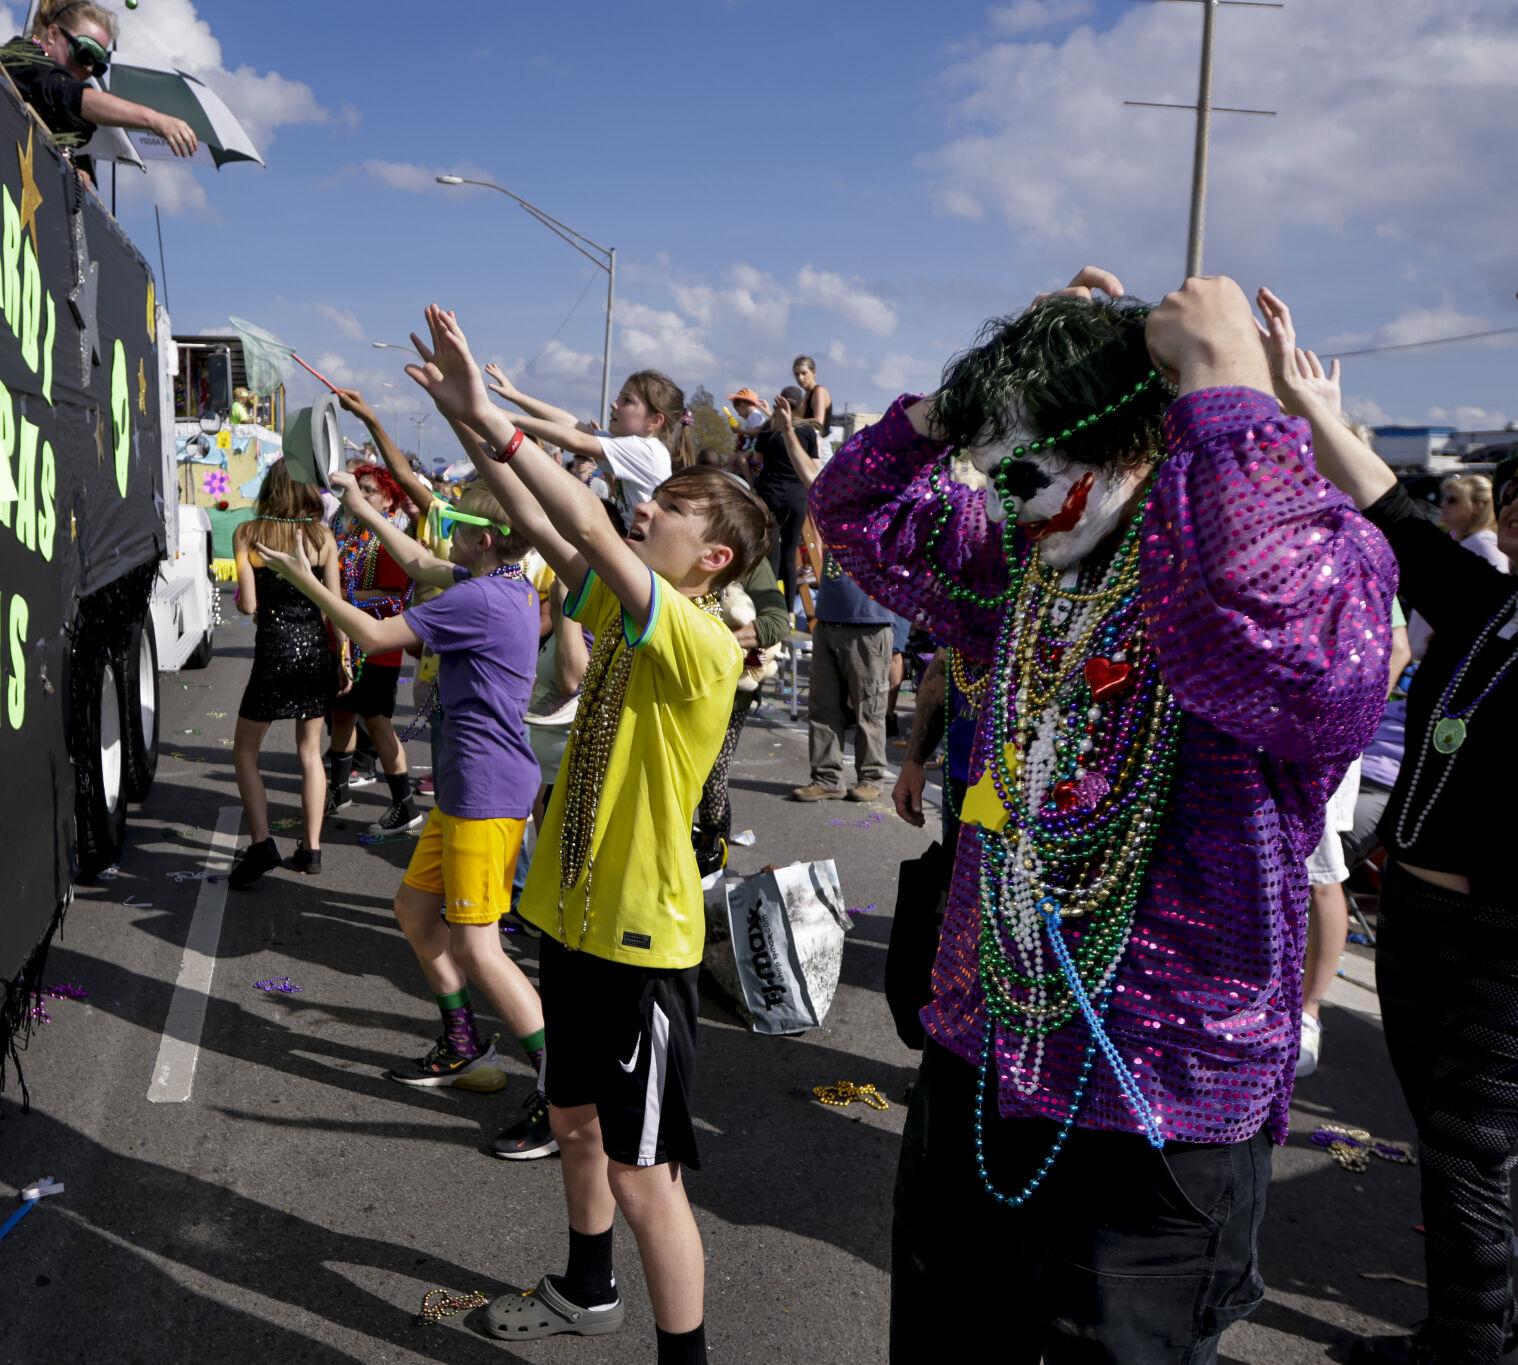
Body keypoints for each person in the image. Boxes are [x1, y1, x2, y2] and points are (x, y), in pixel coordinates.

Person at [810, 269, 1394, 1363]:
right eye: (998, 464)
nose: (1010, 493)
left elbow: (1273, 633)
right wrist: (971, 398)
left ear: (1139, 437)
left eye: (1035, 460)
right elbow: (857, 512)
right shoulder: (1023, 582)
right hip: (986, 1051)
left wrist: (1221, 381)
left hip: (1165, 1095)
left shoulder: (1309, 568)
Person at [406, 304, 771, 1364]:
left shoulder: (696, 639)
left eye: (671, 507)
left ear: (708, 560)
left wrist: (500, 419)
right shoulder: (627, 612)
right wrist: (472, 428)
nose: (646, 506)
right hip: (568, 921)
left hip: (639, 946)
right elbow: (562, 530)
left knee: (642, 1174)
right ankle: (585, 1287)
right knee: (572, 1126)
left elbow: (600, 535)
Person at [1258, 287, 1518, 1365]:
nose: (1512, 523)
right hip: (1415, 915)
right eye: (1514, 508)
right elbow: (1395, 519)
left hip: (1497, 942)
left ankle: (1471, 1346)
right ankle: (1472, 1327)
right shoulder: (1490, 603)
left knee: (1471, 1151)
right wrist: (1314, 407)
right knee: (1449, 1141)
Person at [257, 468, 554, 1146]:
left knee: (481, 949)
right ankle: (463, 1043)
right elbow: (419, 560)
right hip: (466, 790)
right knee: (415, 911)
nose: (445, 533)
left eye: (458, 526)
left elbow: (371, 636)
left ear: (485, 539)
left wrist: (298, 573)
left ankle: (562, 1090)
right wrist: (361, 503)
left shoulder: (477, 602)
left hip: (485, 795)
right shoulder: (499, 585)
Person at [225, 461, 344, 889]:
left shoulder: (248, 533)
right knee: (310, 752)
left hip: (274, 649)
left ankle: (262, 843)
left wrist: (246, 586)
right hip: (314, 648)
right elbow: (336, 605)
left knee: (245, 750)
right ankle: (311, 849)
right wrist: (343, 655)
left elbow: (248, 606)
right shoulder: (322, 536)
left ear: (271, 489)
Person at [772, 394, 893, 804]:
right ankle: (825, 778)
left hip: (870, 623)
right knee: (823, 708)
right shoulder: (836, 504)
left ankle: (871, 778)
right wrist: (789, 431)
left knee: (867, 710)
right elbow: (807, 473)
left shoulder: (890, 506)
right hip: (830, 620)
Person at [0, 1, 198, 187]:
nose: (88, 68)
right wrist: (155, 120)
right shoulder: (20, 57)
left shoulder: (60, 113)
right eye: (84, 54)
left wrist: (76, 170)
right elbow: (68, 94)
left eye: (97, 65)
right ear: (52, 34)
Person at [327, 463, 421, 835]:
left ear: (388, 499)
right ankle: (337, 788)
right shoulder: (350, 534)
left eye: (369, 490)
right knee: (343, 715)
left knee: (379, 723)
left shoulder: (387, 540)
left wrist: (342, 600)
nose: (361, 495)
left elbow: (395, 599)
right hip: (346, 641)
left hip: (378, 645)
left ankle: (405, 805)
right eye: (359, 488)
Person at [485, 362, 695, 521]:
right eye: (619, 397)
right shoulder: (629, 444)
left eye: (627, 401)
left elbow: (575, 440)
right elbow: (572, 425)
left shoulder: (647, 450)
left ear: (654, 421)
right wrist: (516, 397)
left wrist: (510, 418)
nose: (614, 404)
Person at [693, 549, 788, 875]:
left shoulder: (748, 558)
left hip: (732, 691)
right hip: (674, 687)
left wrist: (717, 642)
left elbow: (777, 622)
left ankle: (712, 861)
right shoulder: (674, 547)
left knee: (712, 775)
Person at [1407, 473, 1511, 658]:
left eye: (1453, 500)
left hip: (1446, 656)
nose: (1443, 504)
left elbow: (1494, 605)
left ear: (1478, 506)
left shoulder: (1484, 544)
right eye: (1445, 498)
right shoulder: (1461, 540)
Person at [752, 384, 821, 612]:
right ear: (801, 405)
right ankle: (790, 612)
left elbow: (757, 458)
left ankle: (769, 609)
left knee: (771, 554)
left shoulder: (767, 428)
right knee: (790, 556)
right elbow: (815, 466)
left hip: (769, 495)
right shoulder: (808, 431)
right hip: (796, 498)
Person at [792, 355, 833, 432]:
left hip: (820, 442)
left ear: (813, 372)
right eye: (797, 375)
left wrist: (796, 421)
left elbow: (818, 422)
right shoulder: (805, 396)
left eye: (804, 373)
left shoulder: (819, 391)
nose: (800, 378)